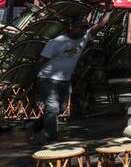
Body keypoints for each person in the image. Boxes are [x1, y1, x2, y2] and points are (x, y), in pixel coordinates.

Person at [31, 12, 110, 143]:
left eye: (85, 28)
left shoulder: (83, 38)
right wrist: (34, 81)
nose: (83, 30)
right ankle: (52, 139)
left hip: (65, 81)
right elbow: (40, 62)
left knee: (60, 108)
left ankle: (37, 127)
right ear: (71, 27)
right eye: (80, 27)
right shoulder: (56, 42)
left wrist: (108, 10)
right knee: (53, 108)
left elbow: (100, 24)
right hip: (47, 79)